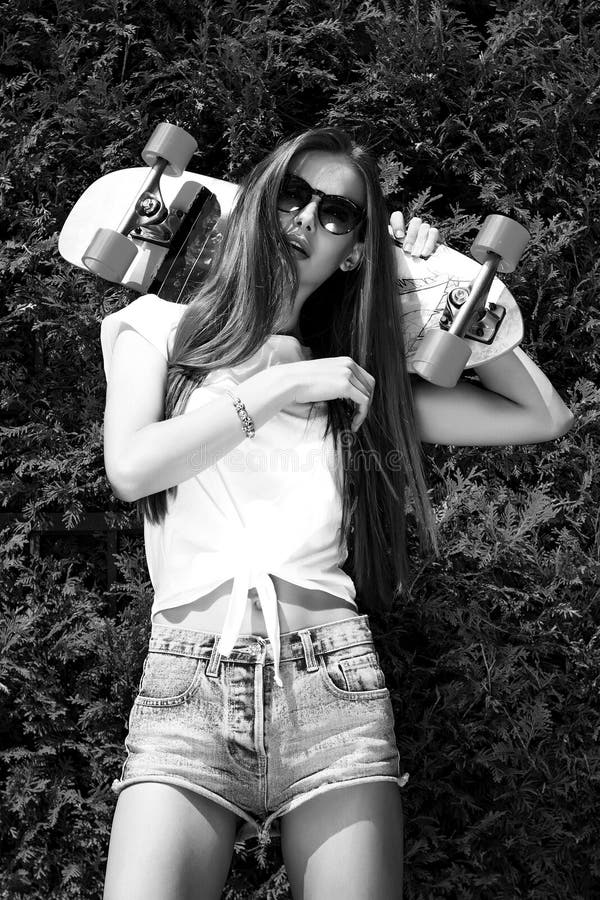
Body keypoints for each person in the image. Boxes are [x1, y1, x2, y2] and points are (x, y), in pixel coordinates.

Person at [100, 127, 573, 900]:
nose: (308, 219)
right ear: (259, 200)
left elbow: (541, 416)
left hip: (331, 683)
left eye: (337, 213)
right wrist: (280, 381)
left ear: (353, 248)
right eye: (295, 194)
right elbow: (132, 467)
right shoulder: (157, 327)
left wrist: (446, 286)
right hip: (185, 682)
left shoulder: (352, 378)